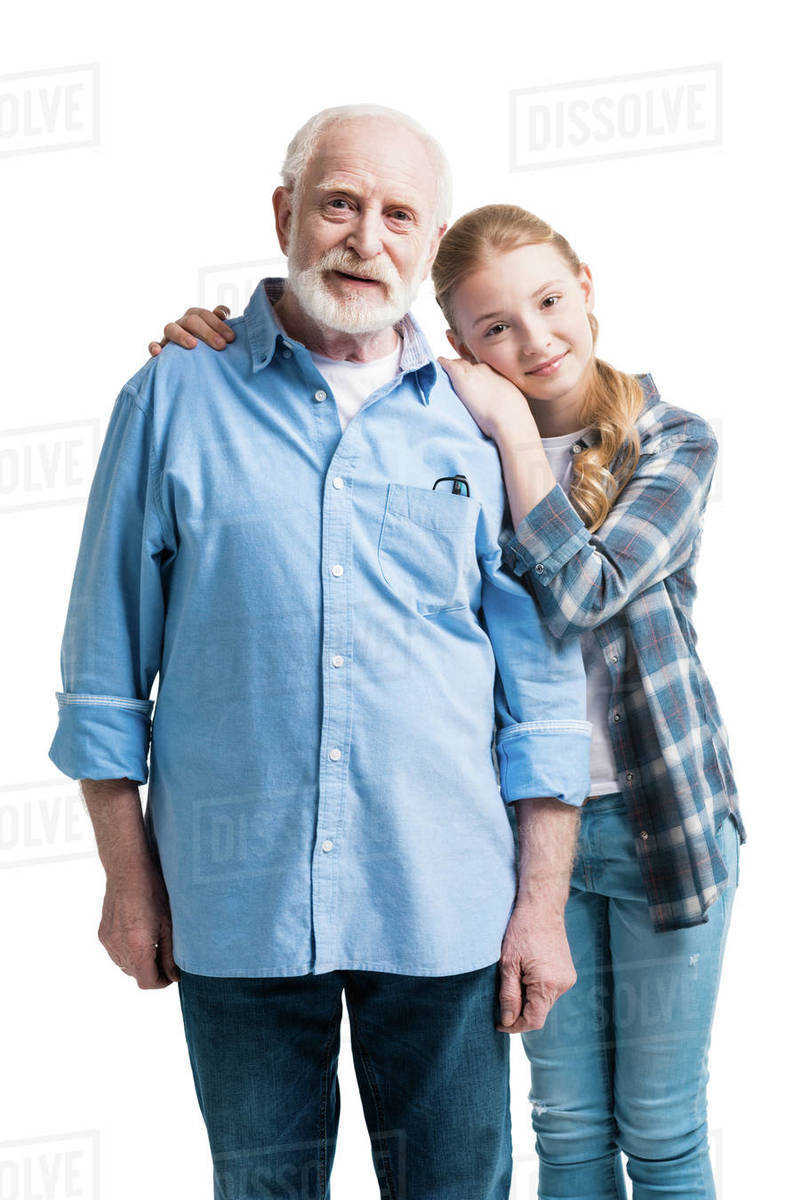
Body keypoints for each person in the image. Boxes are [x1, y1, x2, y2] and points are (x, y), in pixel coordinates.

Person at [48, 111, 592, 1200]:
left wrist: (540, 903)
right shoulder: (170, 397)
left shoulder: (479, 422)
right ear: (285, 214)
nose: (364, 237)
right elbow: (105, 675)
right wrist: (127, 884)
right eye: (340, 203)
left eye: (398, 215)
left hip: (446, 906)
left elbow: (542, 693)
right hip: (232, 899)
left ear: (429, 246)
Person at [167, 203, 744, 1200]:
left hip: (664, 823)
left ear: (588, 287)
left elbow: (584, 592)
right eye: (495, 329)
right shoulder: (447, 430)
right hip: (524, 837)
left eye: (550, 303)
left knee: (660, 1124)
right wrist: (225, 334)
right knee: (563, 1124)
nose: (535, 339)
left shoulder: (670, 439)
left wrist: (518, 439)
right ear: (460, 343)